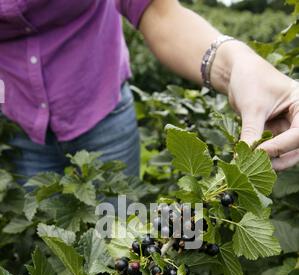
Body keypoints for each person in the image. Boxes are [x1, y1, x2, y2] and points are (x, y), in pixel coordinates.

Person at [0, 0, 298, 180]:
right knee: (45, 246)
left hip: (102, 107)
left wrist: (237, 63)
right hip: (19, 121)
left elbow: (159, 13)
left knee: (119, 231)